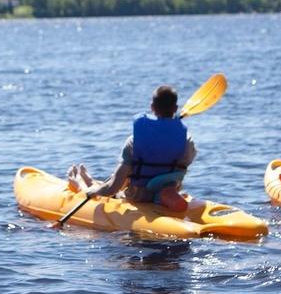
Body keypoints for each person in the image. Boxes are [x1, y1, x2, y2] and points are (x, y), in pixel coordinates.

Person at [68, 84, 197, 208]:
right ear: (175, 108)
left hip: (138, 197)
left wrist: (94, 192)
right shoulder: (187, 141)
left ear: (152, 107)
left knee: (111, 189)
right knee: (127, 179)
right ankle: (88, 180)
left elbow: (113, 188)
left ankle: (80, 183)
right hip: (165, 192)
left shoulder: (133, 142)